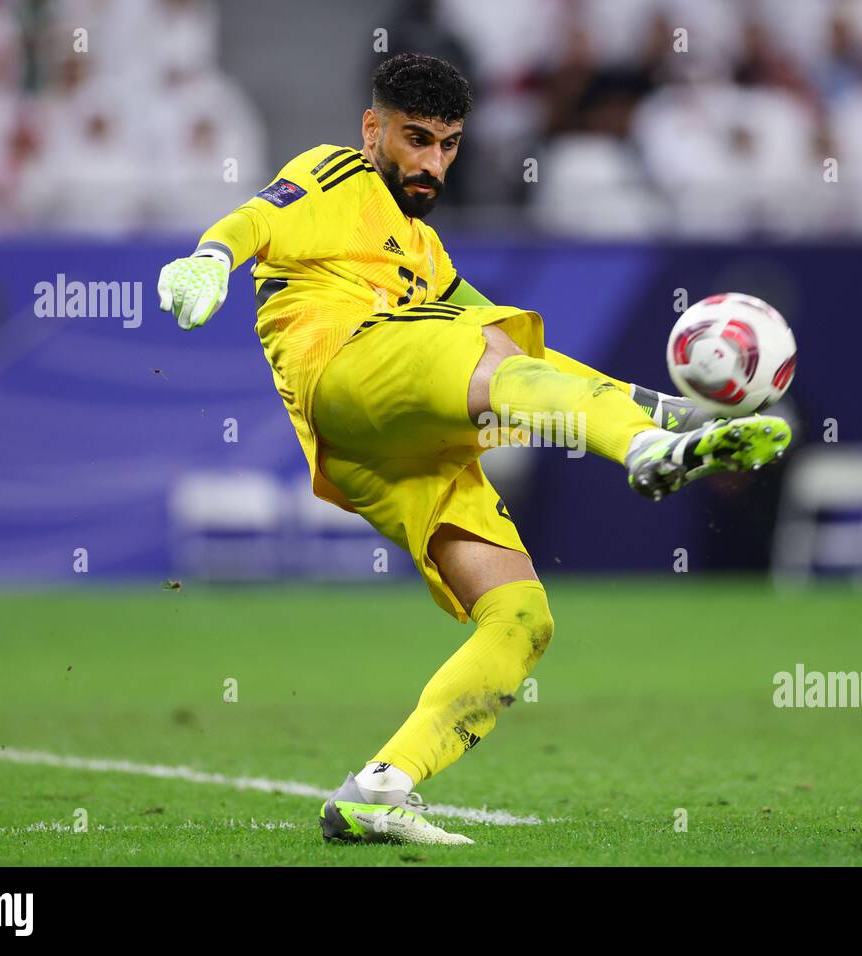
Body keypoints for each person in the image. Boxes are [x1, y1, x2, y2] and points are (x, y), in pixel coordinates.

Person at [157, 53, 790, 845]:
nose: (431, 161)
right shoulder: (330, 175)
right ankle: (642, 454)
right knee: (499, 360)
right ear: (372, 128)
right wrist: (209, 258)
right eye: (415, 138)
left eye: (448, 144)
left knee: (520, 619)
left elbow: (516, 363)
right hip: (347, 370)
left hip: (385, 455)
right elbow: (254, 218)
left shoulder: (426, 254)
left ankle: (377, 789)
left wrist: (663, 405)